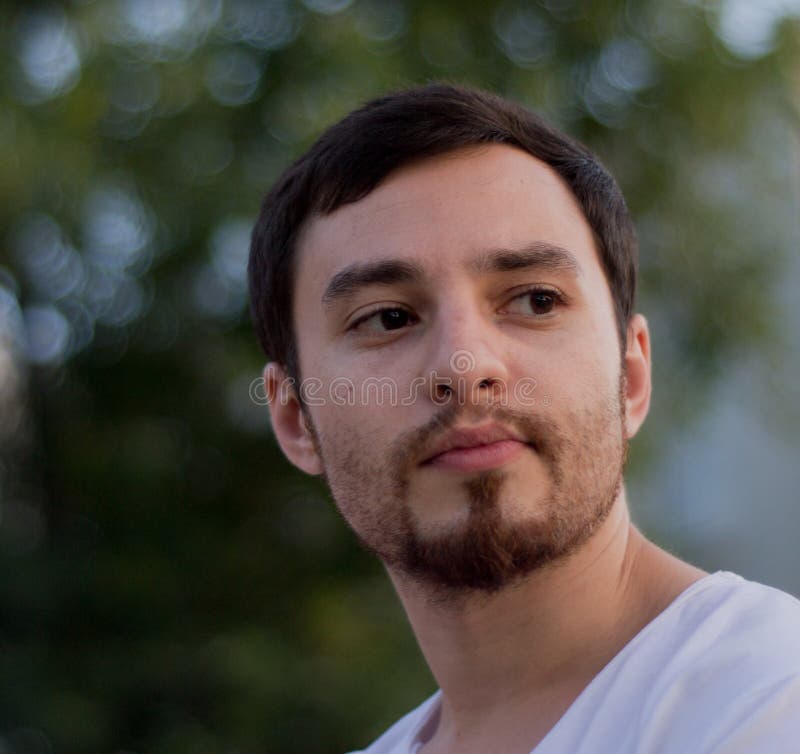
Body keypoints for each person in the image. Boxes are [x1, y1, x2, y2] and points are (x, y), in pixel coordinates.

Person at [248, 84, 800, 754]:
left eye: (535, 300)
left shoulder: (768, 698)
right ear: (295, 418)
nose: (463, 364)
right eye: (388, 318)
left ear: (630, 375)